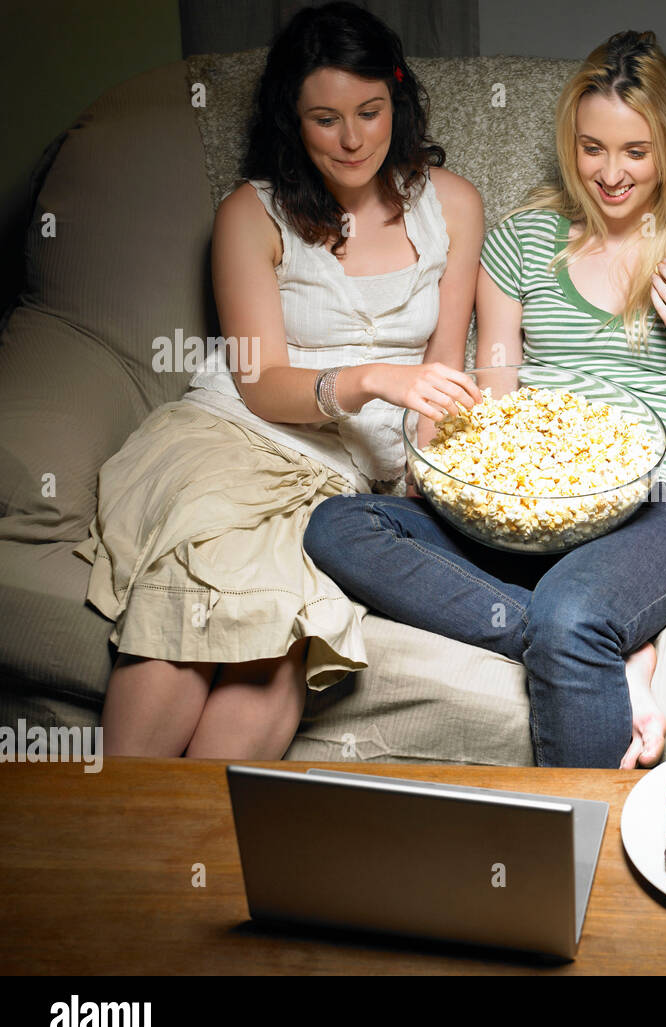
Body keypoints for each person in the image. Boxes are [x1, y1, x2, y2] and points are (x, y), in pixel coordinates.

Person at [304, 30, 666, 770]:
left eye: (635, 153)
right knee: (337, 526)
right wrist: (459, 469)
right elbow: (498, 398)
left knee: (573, 611)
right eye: (592, 148)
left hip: (661, 506)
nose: (611, 174)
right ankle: (606, 649)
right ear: (569, 142)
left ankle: (583, 661)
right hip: (534, 507)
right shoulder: (520, 243)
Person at [75, 2, 484, 758]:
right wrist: (372, 379)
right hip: (235, 437)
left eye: (371, 110)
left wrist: (425, 480)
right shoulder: (249, 214)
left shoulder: (453, 205)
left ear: (399, 97)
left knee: (278, 643)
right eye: (326, 118)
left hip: (339, 483)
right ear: (291, 120)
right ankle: (116, 855)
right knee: (193, 608)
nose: (354, 138)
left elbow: (445, 370)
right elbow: (260, 382)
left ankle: (189, 865)